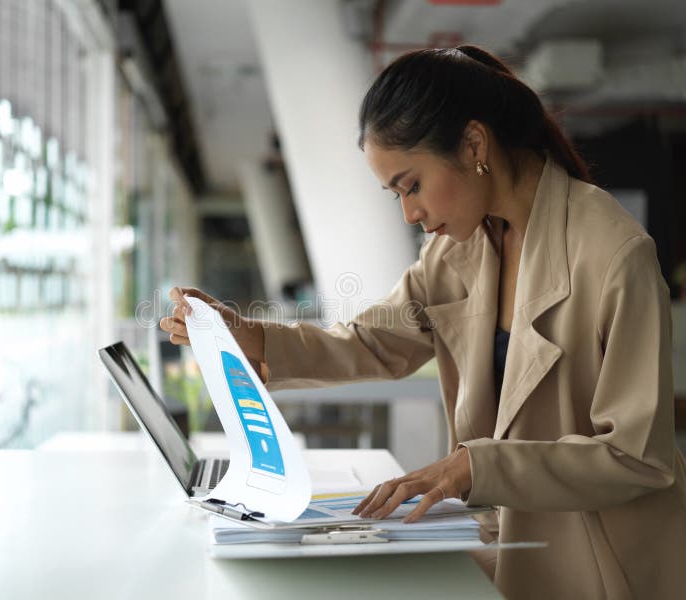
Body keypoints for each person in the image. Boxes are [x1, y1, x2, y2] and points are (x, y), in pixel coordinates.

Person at [160, 45, 686, 599]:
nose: (409, 212)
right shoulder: (459, 249)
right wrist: (254, 337)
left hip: (609, 559)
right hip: (514, 541)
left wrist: (469, 468)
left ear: (474, 144)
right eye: (396, 195)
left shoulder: (614, 251)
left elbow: (637, 458)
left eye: (412, 185)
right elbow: (373, 340)